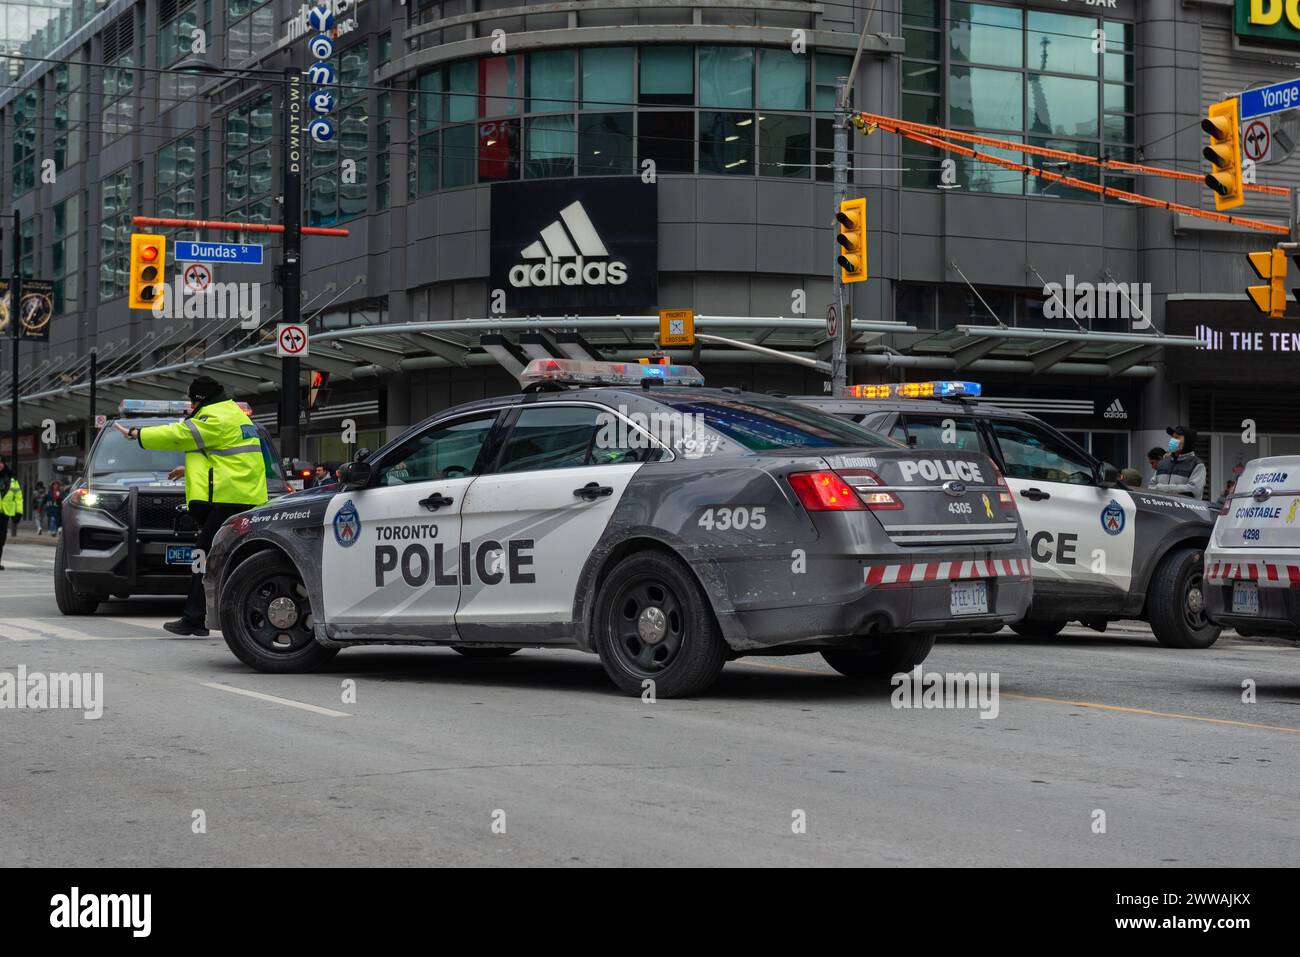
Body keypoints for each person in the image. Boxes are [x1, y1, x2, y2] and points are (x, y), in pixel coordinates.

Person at [114, 375, 268, 636]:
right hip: (244, 495)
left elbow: (179, 435)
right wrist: (188, 470)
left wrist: (136, 434)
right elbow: (228, 456)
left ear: (200, 399)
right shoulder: (234, 413)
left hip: (229, 498)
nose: (189, 405)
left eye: (190, 400)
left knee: (203, 556)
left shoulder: (214, 417)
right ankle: (229, 614)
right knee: (235, 557)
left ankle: (195, 618)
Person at [1149, 425, 1206, 499]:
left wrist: (1163, 488)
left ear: (1187, 441)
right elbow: (1151, 486)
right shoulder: (1163, 462)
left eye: (1176, 438)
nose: (1172, 440)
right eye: (1172, 437)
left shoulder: (1196, 464)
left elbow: (1194, 490)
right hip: (1162, 509)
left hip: (1185, 510)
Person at [0, 456, 21, 570]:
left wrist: (18, 513)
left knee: (1, 539)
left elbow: (18, 497)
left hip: (5, 513)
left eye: (1, 462)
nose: (0, 465)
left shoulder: (11, 478)